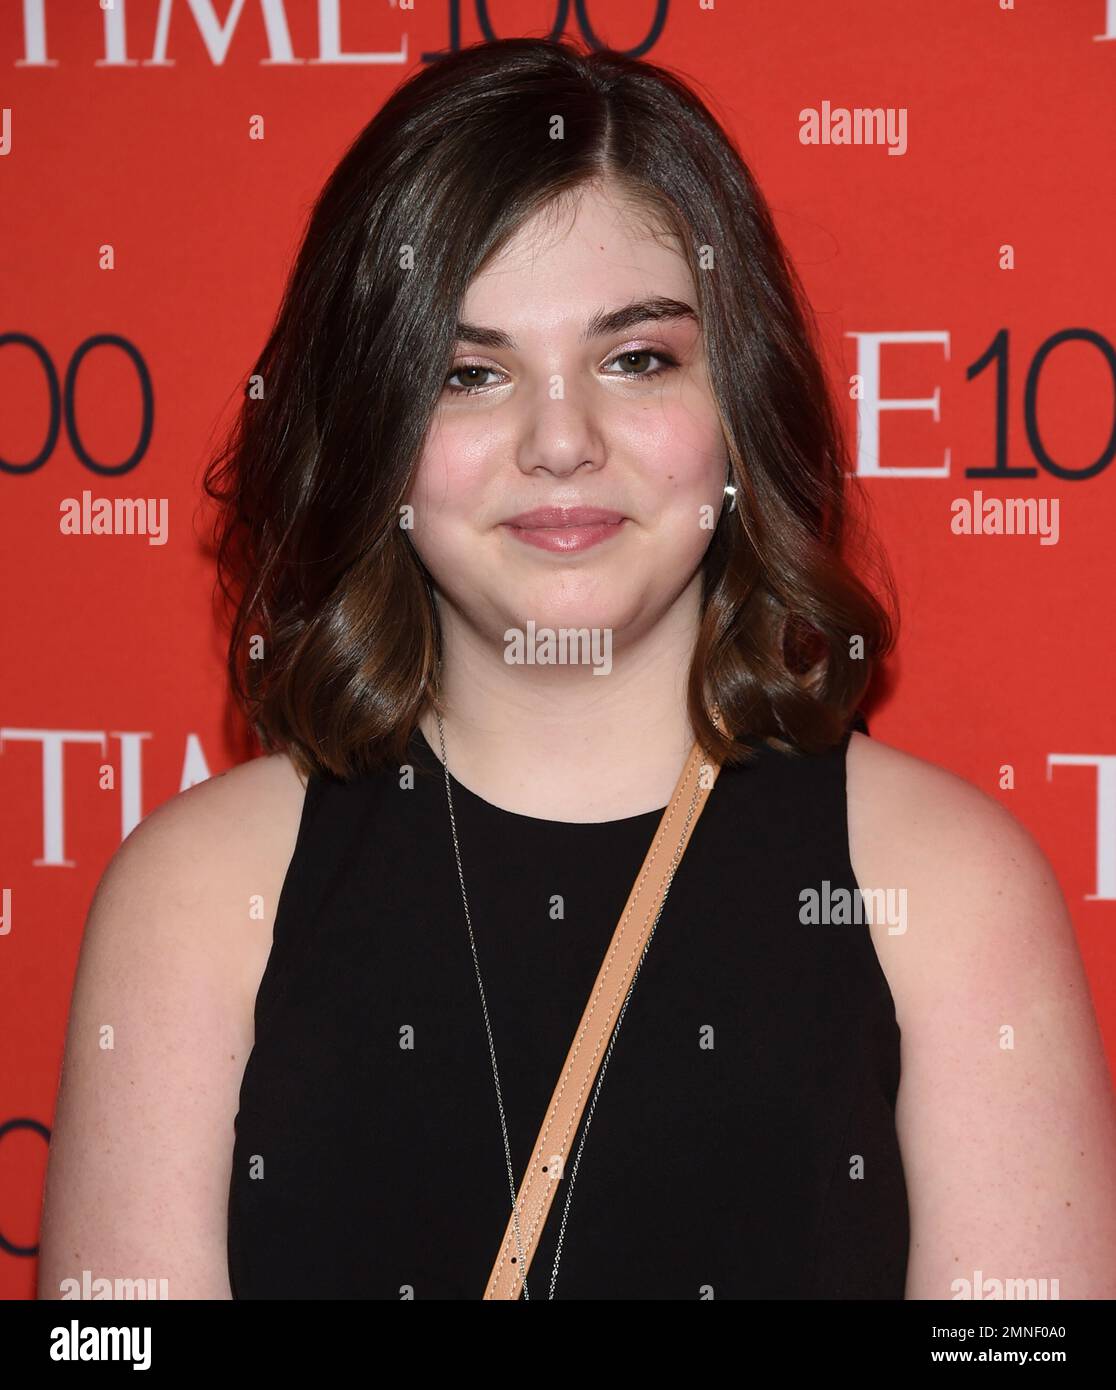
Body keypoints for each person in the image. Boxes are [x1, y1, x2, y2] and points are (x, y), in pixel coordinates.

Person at [37, 37, 1116, 1301]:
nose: (561, 440)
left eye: (637, 357)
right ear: (372, 433)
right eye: (469, 372)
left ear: (741, 403)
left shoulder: (946, 890)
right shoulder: (195, 898)